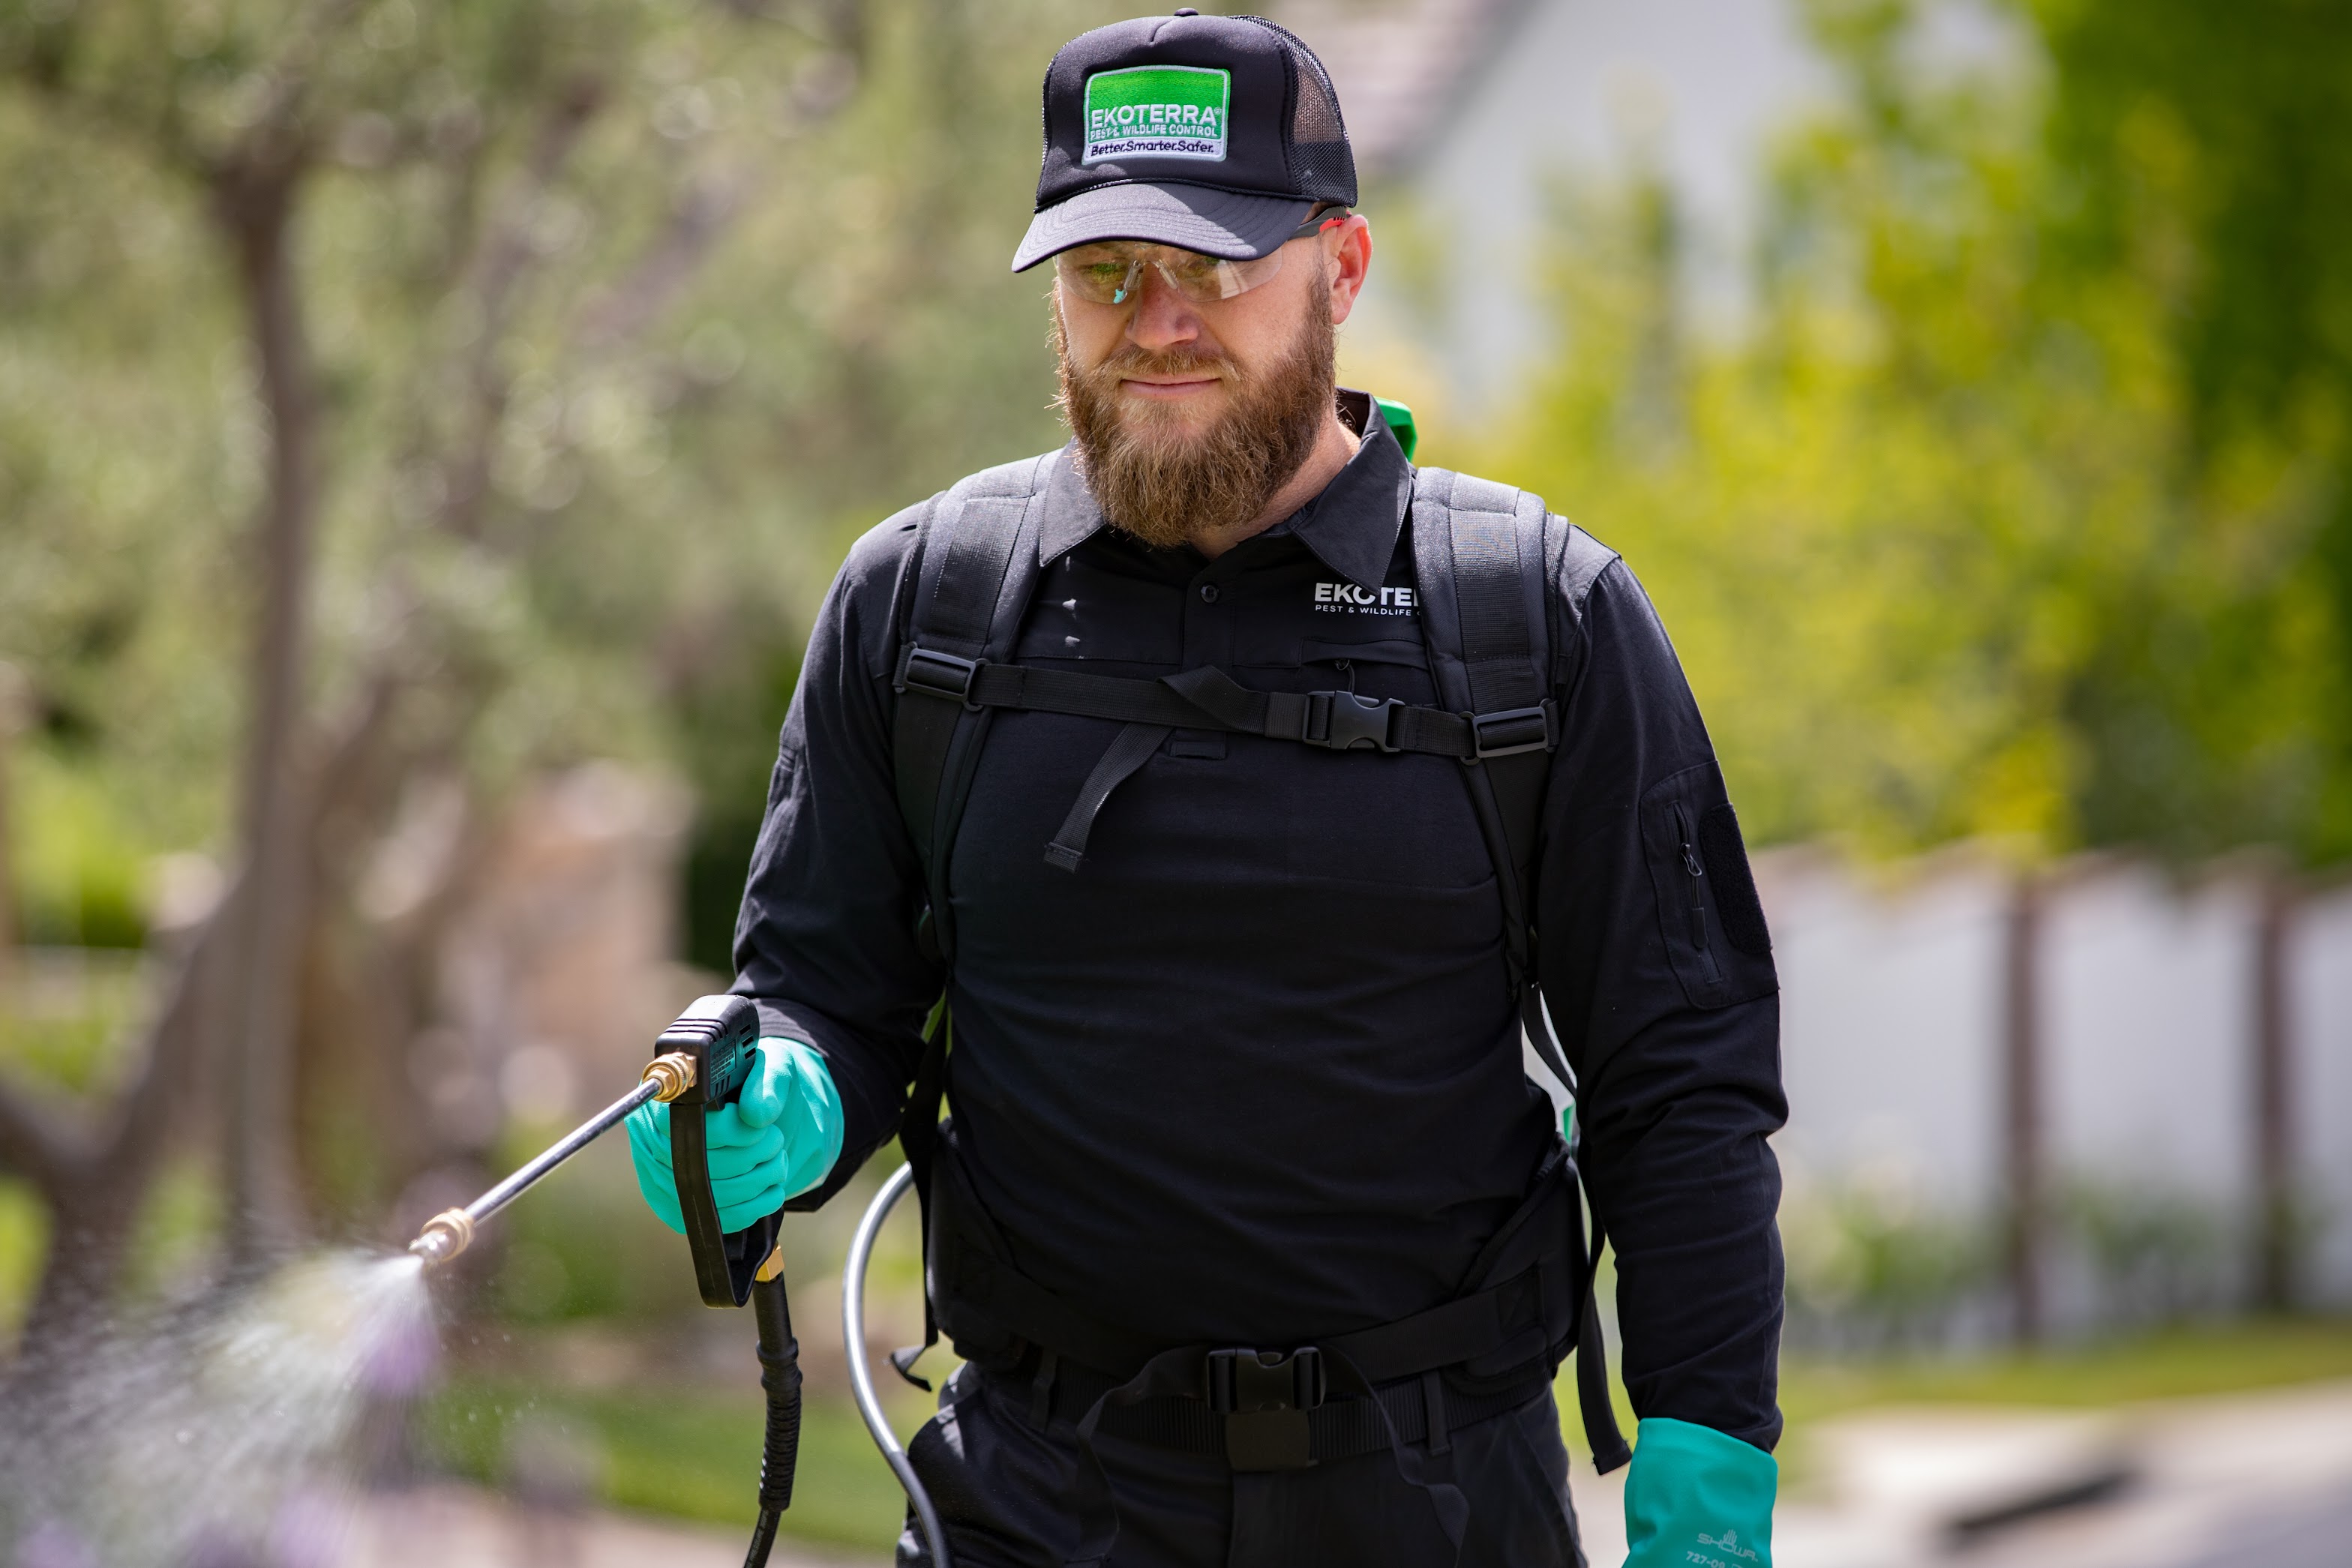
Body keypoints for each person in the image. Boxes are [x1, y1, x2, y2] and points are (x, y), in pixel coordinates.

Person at [626, 12, 1786, 1567]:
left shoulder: (1536, 615)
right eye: (1105, 273)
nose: (1155, 320)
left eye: (1216, 266)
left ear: (1341, 268)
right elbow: (828, 992)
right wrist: (778, 1096)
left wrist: (1706, 1464)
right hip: (1036, 1504)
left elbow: (1680, 1080)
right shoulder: (922, 607)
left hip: (1439, 1505)